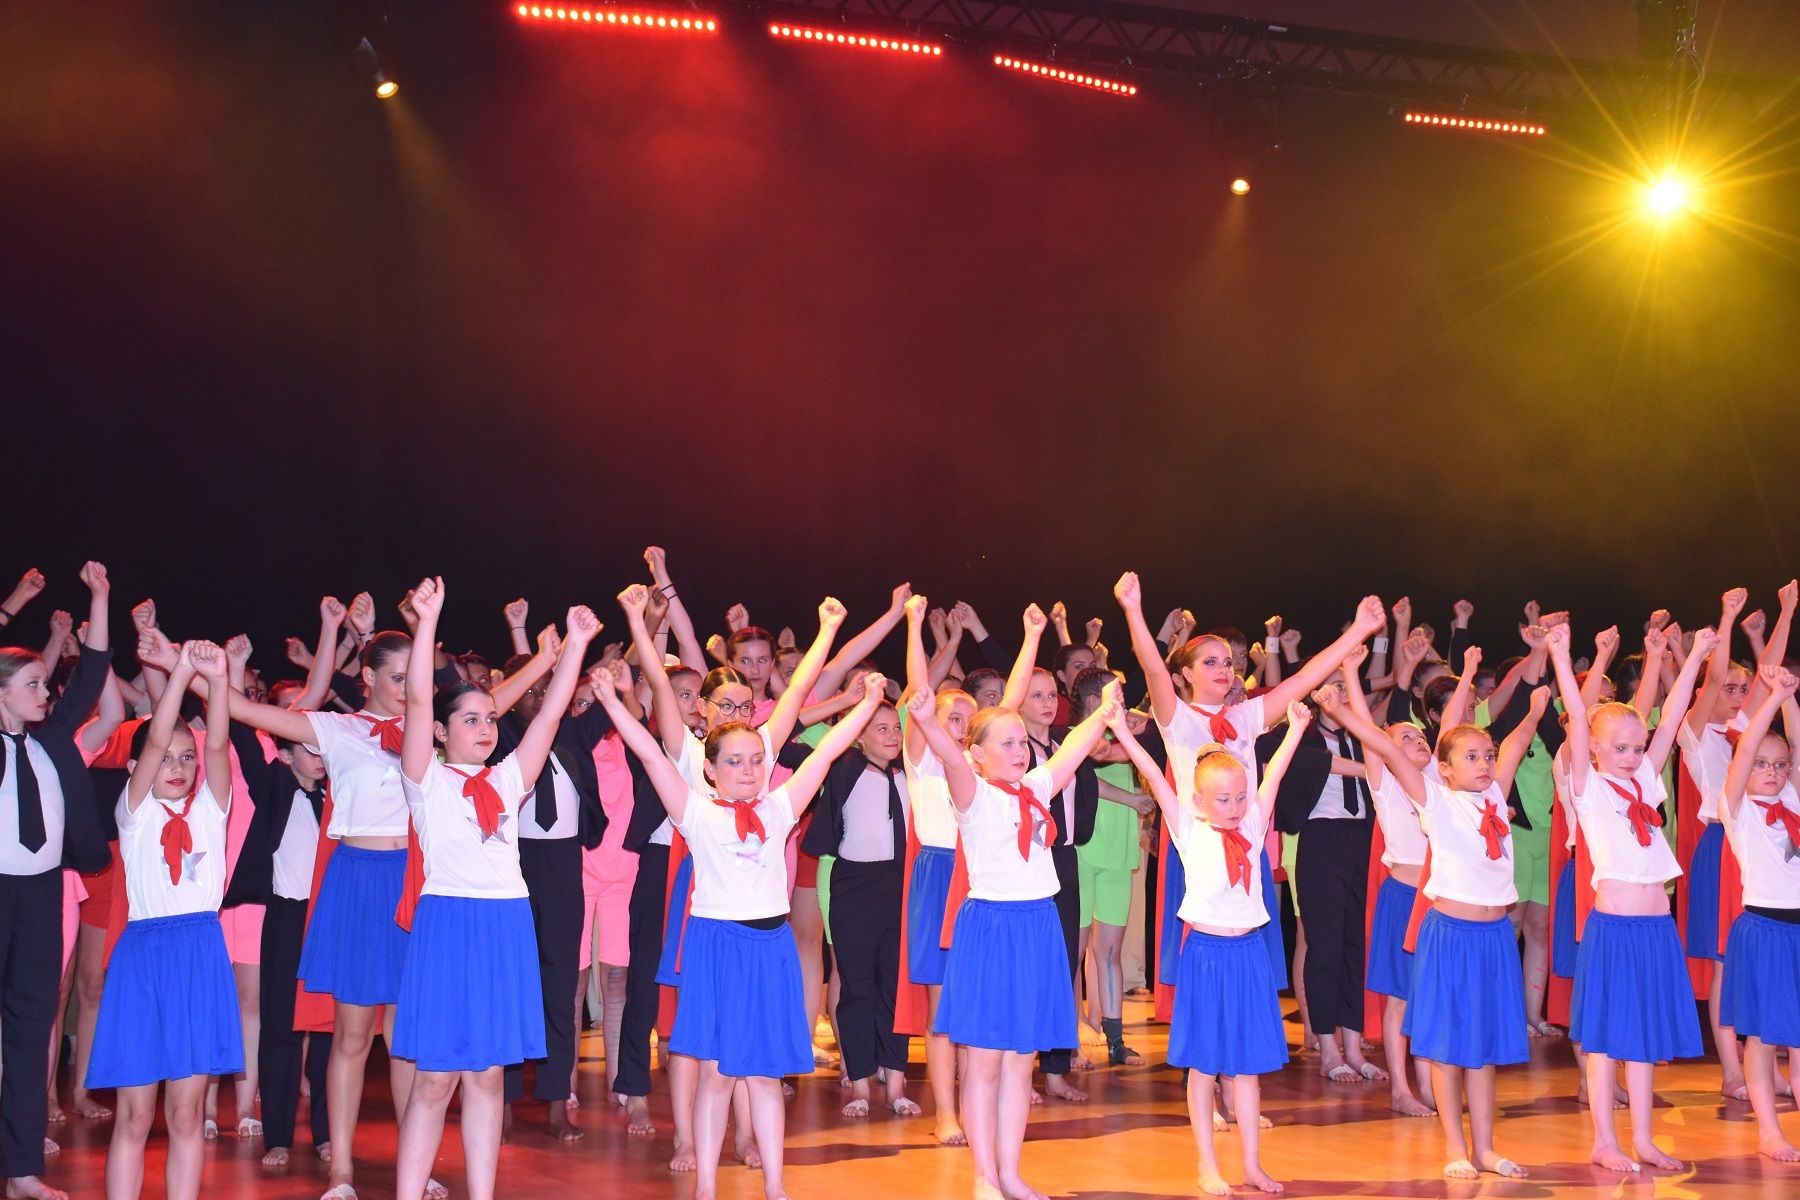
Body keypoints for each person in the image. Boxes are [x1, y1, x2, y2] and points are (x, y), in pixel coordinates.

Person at [594, 650, 887, 1200]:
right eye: (734, 761)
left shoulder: (778, 808)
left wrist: (867, 702)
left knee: (763, 1075)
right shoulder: (696, 812)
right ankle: (707, 1186)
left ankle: (775, 1186)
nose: (748, 770)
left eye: (756, 760)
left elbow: (823, 756)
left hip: (770, 945)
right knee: (716, 1074)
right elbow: (653, 758)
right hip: (716, 945)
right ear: (710, 768)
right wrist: (612, 701)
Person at [390, 578, 596, 1200]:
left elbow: (552, 712)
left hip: (506, 926)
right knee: (434, 1081)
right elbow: (420, 702)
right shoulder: (425, 780)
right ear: (441, 732)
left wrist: (577, 645)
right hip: (449, 927)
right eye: (470, 720)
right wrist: (427, 624)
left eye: (489, 719)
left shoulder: (508, 780)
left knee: (485, 1078)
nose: (484, 728)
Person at [913, 679, 1121, 1200]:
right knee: (984, 1061)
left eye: (1020, 742)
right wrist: (925, 721)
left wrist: (1103, 715)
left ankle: (1009, 1171)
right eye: (1004, 743)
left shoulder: (1037, 790)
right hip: (991, 929)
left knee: (1019, 1060)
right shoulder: (973, 794)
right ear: (978, 756)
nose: (1018, 750)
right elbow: (950, 756)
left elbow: (1072, 750)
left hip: (1038, 928)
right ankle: (983, 1176)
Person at [1112, 701, 1312, 1196]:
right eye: (1223, 799)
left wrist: (1297, 727)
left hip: (1248, 956)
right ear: (1199, 801)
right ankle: (1207, 1163)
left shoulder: (1252, 824)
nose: (1236, 806)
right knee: (1203, 1067)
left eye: (1240, 796)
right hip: (1204, 955)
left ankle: (1251, 1164)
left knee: (1247, 1069)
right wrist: (1120, 727)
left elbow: (1278, 770)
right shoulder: (1187, 828)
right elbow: (1152, 776)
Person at [1549, 621, 1711, 1172]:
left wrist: (1694, 658)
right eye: (1619, 747)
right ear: (1593, 748)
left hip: (1655, 929)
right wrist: (1562, 656)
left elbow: (1671, 716)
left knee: (1643, 1039)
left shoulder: (1647, 780)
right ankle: (1604, 1139)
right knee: (1604, 1040)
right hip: (1614, 929)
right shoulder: (1588, 788)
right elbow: (1575, 721)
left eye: (1637, 747)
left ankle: (1642, 1138)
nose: (1632, 754)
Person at [88, 640, 240, 1200]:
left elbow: (219, 742)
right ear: (136, 768)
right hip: (143, 958)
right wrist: (178, 672)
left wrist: (220, 680)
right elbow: (154, 737)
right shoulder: (135, 813)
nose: (177, 767)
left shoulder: (210, 810)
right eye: (166, 758)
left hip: (200, 955)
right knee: (133, 1116)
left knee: (185, 1114)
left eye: (187, 758)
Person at [1, 562, 113, 1200]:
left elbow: (93, 669)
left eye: (47, 683)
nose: (47, 691)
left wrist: (100, 596)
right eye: (34, 683)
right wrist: (17, 601)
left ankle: (20, 1171)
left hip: (42, 894)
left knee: (30, 1026)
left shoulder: (53, 740)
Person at [1718, 665, 1800, 1162]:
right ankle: (1769, 1130)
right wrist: (1770, 698)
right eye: (1763, 765)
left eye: (1781, 765)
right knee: (1765, 1038)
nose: (1772, 772)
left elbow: (1797, 747)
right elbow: (1746, 748)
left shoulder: (1792, 800)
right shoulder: (1738, 809)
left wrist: (1790, 698)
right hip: (1765, 930)